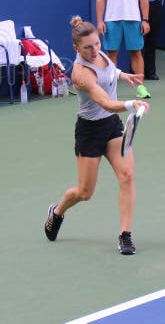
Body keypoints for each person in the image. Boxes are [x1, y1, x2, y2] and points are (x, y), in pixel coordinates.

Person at [44, 16, 149, 255]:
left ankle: (125, 236)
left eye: (97, 44)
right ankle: (58, 211)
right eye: (87, 48)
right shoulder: (80, 73)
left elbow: (109, 70)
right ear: (76, 49)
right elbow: (106, 102)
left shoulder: (100, 55)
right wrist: (132, 104)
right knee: (85, 192)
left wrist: (123, 76)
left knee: (127, 175)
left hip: (111, 126)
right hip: (89, 132)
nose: (94, 50)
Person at [95, 0, 152, 98]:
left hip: (133, 19)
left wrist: (145, 19)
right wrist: (100, 21)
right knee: (111, 54)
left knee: (136, 52)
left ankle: (141, 88)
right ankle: (110, 89)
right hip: (112, 19)